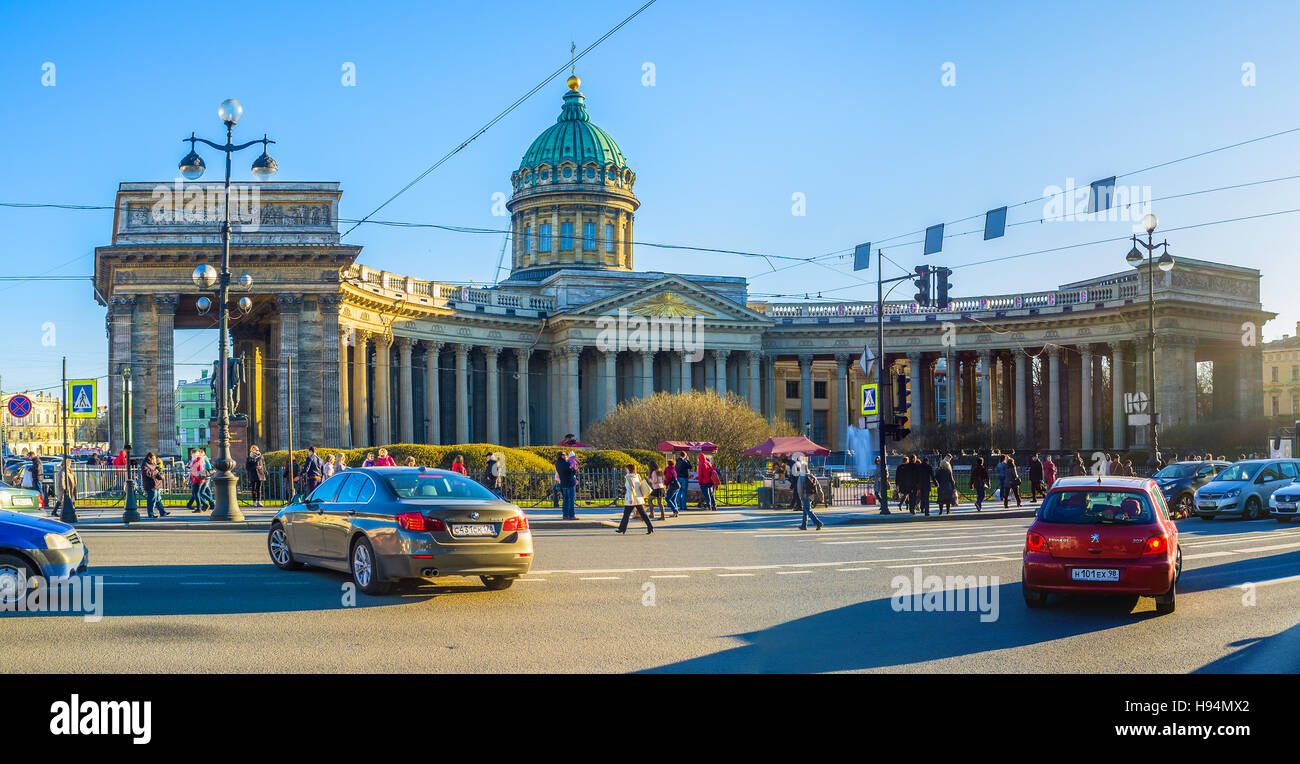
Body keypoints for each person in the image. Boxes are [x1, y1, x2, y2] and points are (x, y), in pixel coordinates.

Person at [616, 464, 654, 535]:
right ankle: (650, 527)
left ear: (629, 470)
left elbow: (630, 489)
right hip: (639, 498)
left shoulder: (628, 478)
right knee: (643, 514)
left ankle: (622, 529)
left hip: (631, 499)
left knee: (626, 515)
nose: (625, 470)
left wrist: (630, 499)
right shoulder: (637, 476)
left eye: (626, 469)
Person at [789, 454, 823, 531]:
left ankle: (818, 523)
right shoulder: (812, 476)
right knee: (805, 510)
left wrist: (800, 497)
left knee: (808, 510)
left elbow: (799, 488)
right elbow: (818, 487)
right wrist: (821, 496)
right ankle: (804, 525)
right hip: (811, 495)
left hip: (805, 496)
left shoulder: (801, 476)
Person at [140, 452, 167, 518]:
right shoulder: (145, 464)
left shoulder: (153, 463)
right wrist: (156, 471)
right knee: (151, 500)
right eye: (153, 458)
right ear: (149, 458)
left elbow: (157, 470)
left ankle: (162, 512)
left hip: (156, 484)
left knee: (158, 499)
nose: (155, 460)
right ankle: (151, 514)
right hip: (151, 485)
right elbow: (147, 473)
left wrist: (159, 466)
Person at [555, 452, 577, 520]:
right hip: (570, 483)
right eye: (565, 455)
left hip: (563, 483)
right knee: (571, 499)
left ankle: (565, 514)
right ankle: (571, 515)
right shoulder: (566, 463)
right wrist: (573, 469)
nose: (566, 456)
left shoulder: (557, 464)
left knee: (565, 500)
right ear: (562, 456)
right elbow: (572, 471)